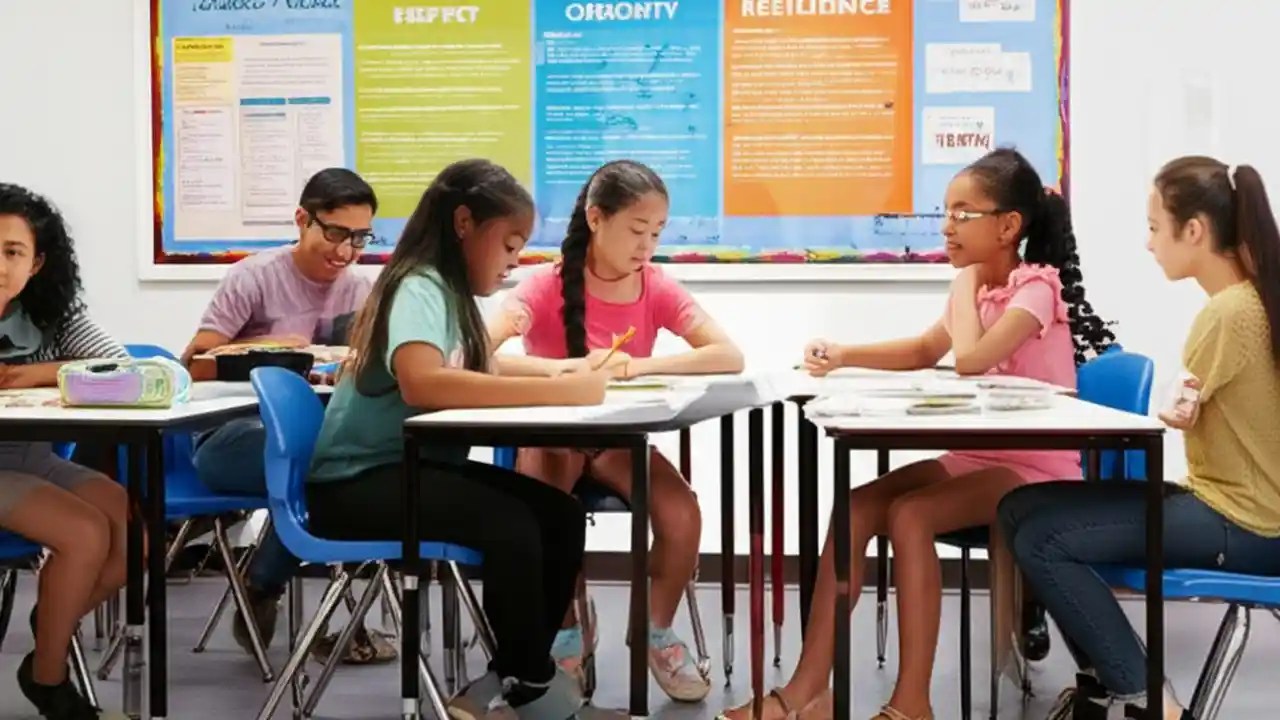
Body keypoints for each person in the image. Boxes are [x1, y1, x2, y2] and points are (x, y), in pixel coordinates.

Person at [721, 148, 1115, 720]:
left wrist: (961, 284)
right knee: (855, 508)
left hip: (1032, 469)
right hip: (975, 458)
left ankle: (912, 703)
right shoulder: (978, 289)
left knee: (910, 515)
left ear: (1009, 226)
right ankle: (807, 689)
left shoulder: (1035, 290)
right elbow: (925, 349)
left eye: (963, 213)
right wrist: (845, 353)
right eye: (945, 211)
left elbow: (971, 360)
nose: (947, 226)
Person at [305, 158, 621, 720]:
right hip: (356, 484)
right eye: (509, 246)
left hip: (405, 469)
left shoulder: (448, 293)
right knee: (512, 523)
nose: (514, 262)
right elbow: (424, 380)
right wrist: (564, 395)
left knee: (559, 515)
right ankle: (532, 687)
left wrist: (562, 373)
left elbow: (480, 366)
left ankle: (512, 678)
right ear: (464, 224)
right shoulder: (419, 284)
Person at [999, 157, 1280, 720]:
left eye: (1155, 227)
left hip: (1245, 521)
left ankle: (1151, 701)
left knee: (1043, 540)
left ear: (1194, 231)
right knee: (1017, 509)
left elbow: (1182, 413)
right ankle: (1107, 683)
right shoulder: (1247, 303)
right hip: (1231, 507)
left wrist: (1176, 410)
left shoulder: (1228, 315)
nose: (1148, 243)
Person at [487, 159, 743, 702]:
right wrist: (560, 372)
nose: (646, 245)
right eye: (635, 230)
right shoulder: (545, 285)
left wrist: (633, 367)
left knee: (681, 514)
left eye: (656, 233)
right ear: (596, 218)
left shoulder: (656, 286)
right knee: (547, 520)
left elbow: (727, 354)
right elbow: (477, 349)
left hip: (618, 441)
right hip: (553, 439)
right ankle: (565, 634)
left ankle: (652, 631)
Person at [180, 168, 390, 663]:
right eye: (335, 233)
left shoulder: (360, 291)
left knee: (357, 469)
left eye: (359, 238)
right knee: (331, 464)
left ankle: (269, 587)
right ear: (302, 220)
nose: (345, 251)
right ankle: (268, 583)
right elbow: (194, 363)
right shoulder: (254, 276)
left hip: (316, 440)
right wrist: (271, 349)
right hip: (229, 439)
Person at [0, 183, 131, 719]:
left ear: (36, 263)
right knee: (84, 531)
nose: (0, 264)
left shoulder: (52, 312)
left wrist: (41, 372)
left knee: (133, 526)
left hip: (33, 459)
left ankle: (57, 613)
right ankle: (48, 678)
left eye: (12, 251)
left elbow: (124, 369)